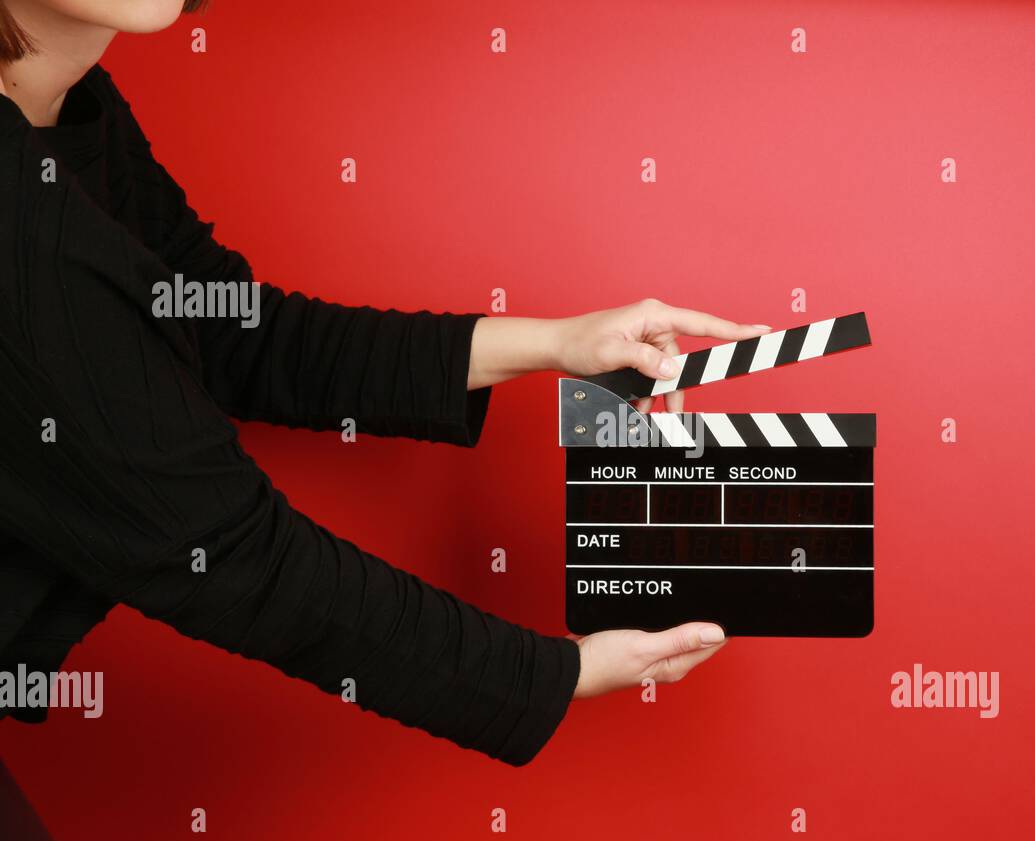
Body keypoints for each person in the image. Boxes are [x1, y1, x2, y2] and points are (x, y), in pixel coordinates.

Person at [0, 0, 767, 768]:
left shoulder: (72, 109)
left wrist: (555, 343)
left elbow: (226, 330)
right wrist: (553, 672)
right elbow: (219, 548)